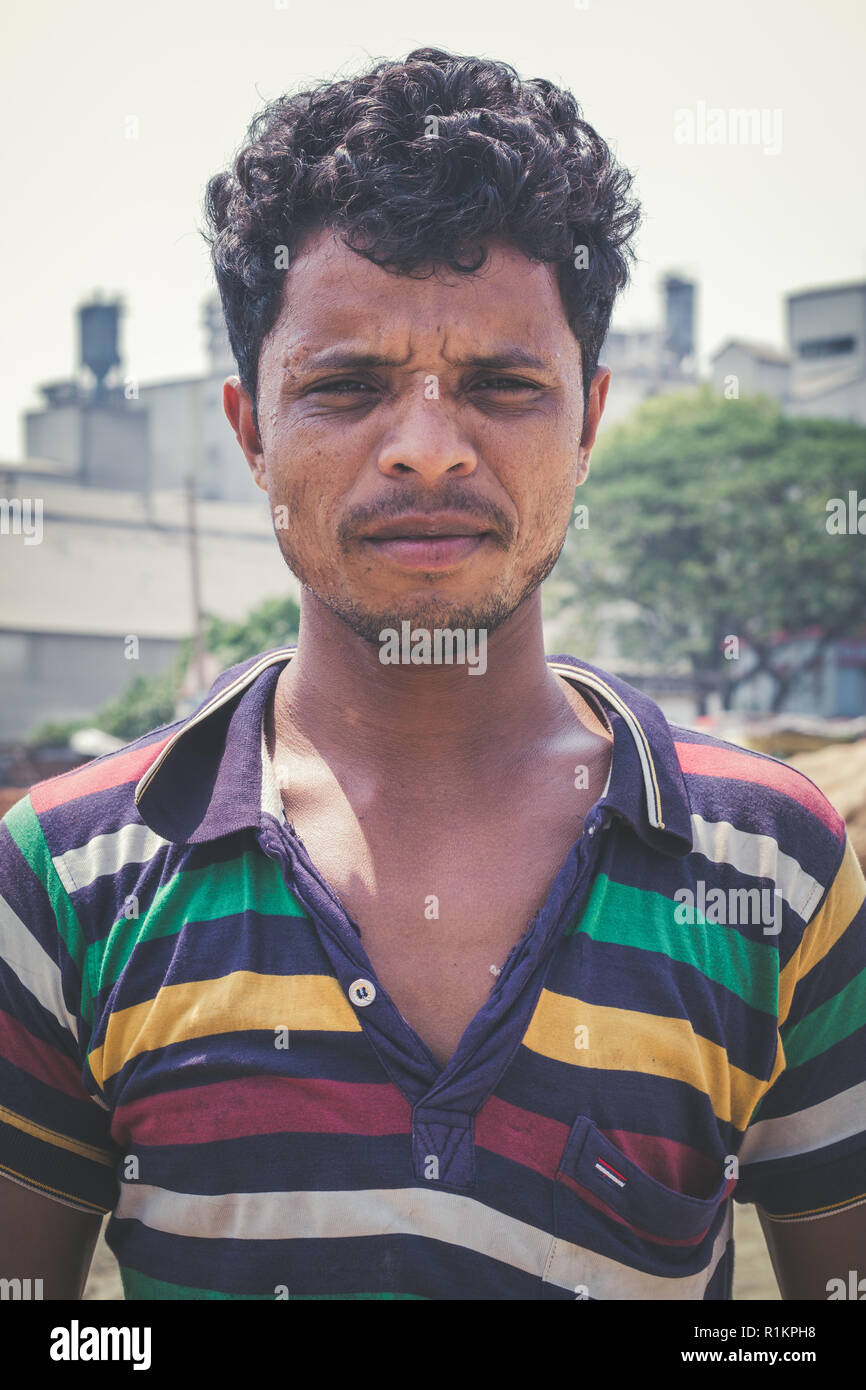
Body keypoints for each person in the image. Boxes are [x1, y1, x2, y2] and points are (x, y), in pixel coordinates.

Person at [1, 47, 864, 1301]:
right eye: (345, 387)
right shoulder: (67, 879)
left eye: (501, 386)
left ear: (586, 421)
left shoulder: (773, 865)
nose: (421, 449)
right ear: (250, 429)